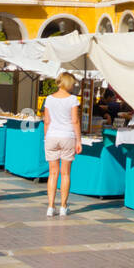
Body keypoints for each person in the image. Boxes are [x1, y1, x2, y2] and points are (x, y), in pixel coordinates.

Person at [43, 72, 82, 217]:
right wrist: (79, 140)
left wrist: (46, 138)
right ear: (68, 83)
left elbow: (46, 121)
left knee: (52, 173)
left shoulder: (49, 99)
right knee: (65, 173)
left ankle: (50, 206)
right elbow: (75, 121)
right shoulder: (72, 99)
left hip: (52, 136)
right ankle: (63, 206)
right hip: (67, 136)